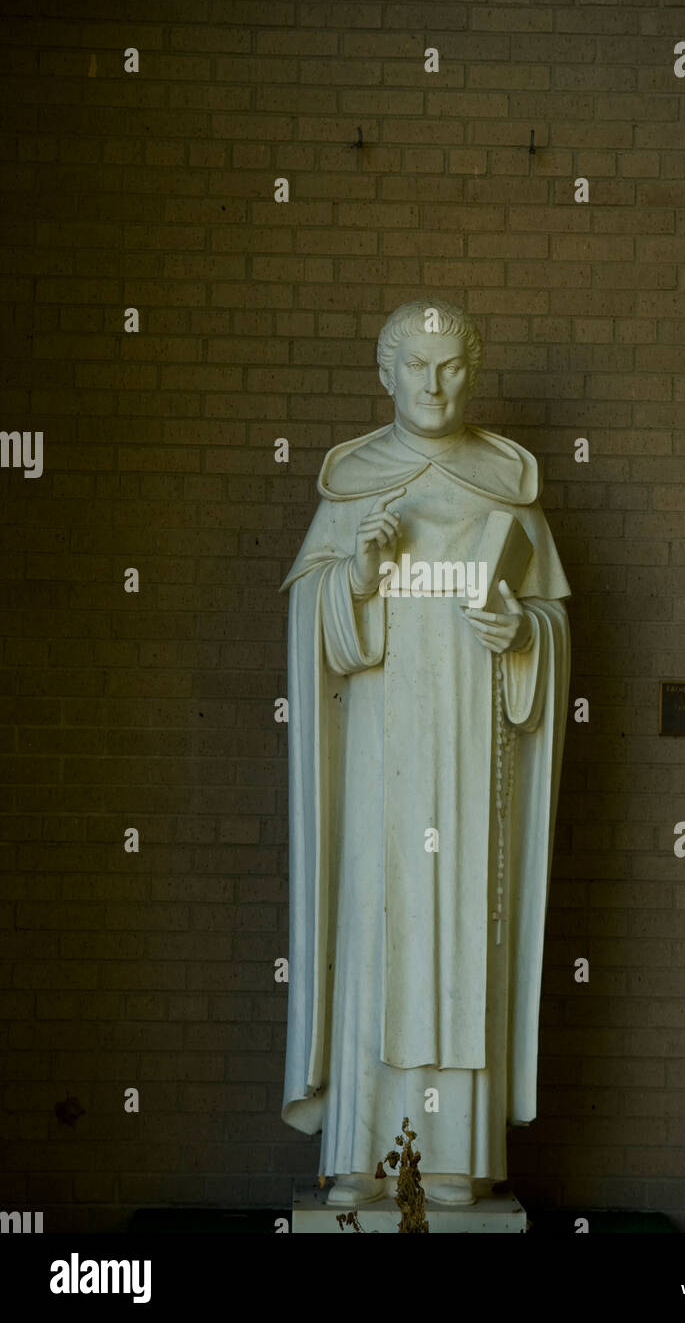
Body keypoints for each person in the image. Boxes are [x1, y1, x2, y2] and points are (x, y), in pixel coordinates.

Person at [279, 299, 571, 1207]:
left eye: (450, 367)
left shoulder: (504, 482)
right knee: (378, 931)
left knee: (462, 935)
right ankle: (363, 1157)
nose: (434, 385)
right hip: (380, 758)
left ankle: (451, 1156)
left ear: (471, 372)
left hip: (475, 759)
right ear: (387, 374)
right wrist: (354, 584)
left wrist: (521, 630)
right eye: (417, 367)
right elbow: (309, 625)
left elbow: (552, 626)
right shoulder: (354, 483)